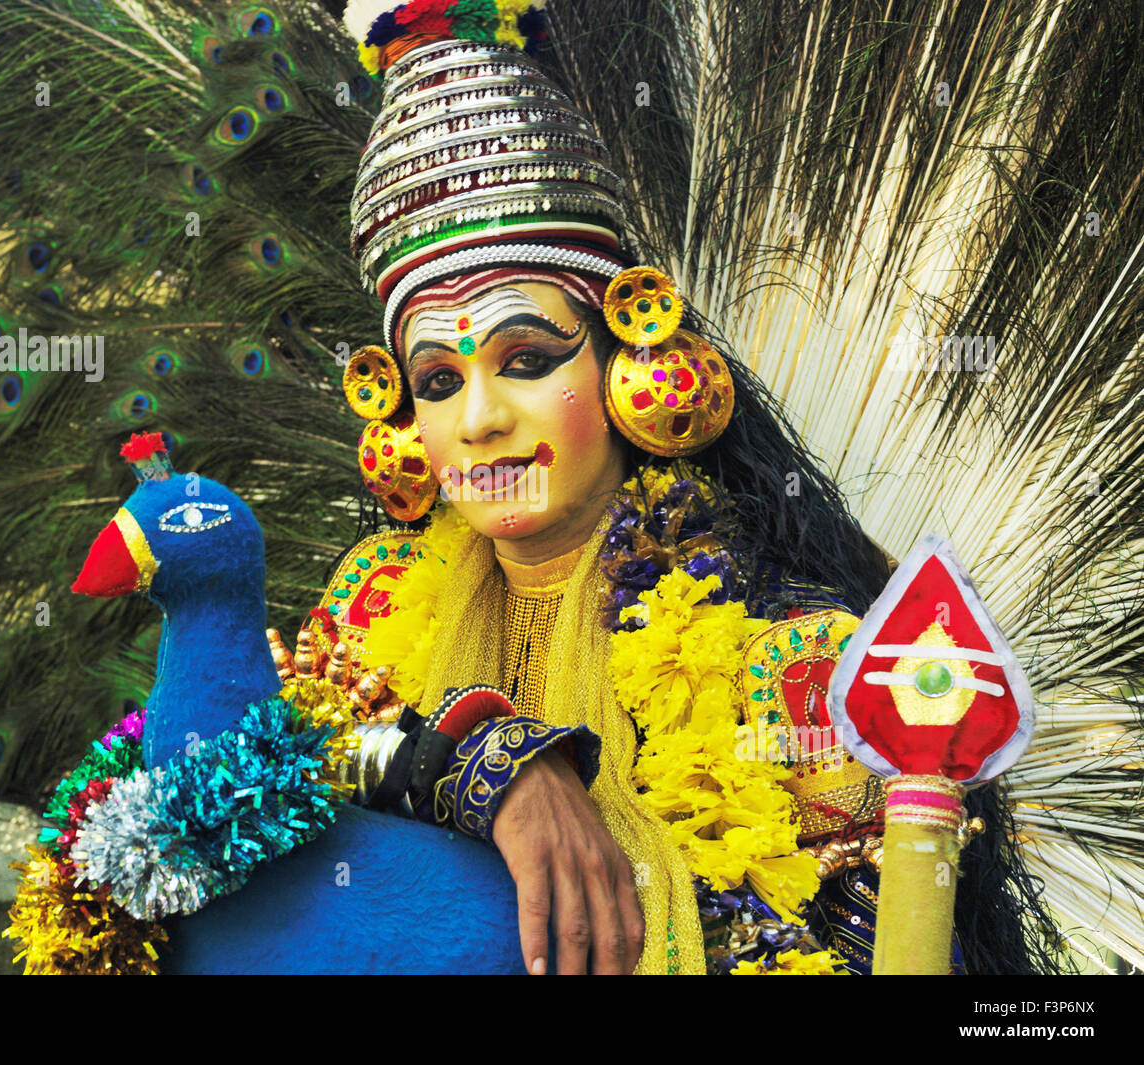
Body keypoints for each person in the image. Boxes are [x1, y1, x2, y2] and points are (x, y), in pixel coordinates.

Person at [312, 6, 1058, 974]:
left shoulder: (792, 667)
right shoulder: (366, 610)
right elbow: (237, 793)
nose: (480, 420)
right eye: (438, 383)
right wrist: (471, 761)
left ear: (633, 352)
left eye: (529, 360)